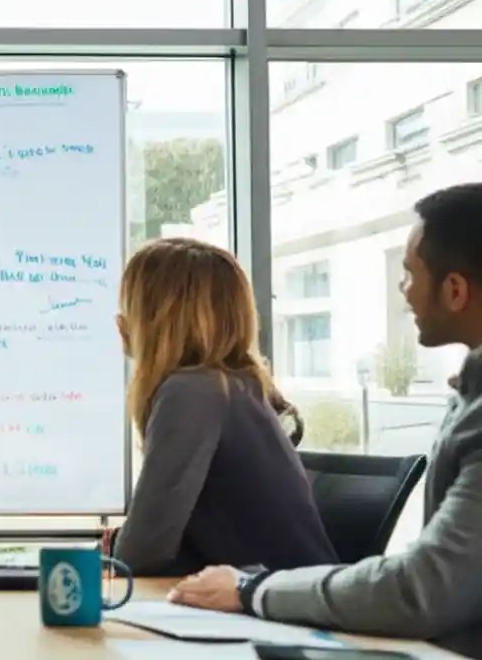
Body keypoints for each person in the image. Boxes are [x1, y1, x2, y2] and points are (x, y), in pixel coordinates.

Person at [168, 184, 482, 658]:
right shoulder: (468, 394)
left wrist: (253, 590)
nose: (404, 292)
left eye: (408, 274)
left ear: (454, 290)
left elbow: (422, 591)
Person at [110, 237, 337, 576]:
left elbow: (140, 553)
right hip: (280, 600)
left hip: (274, 614)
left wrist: (118, 545)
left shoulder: (191, 393)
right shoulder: (239, 387)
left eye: (130, 307)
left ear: (148, 322)